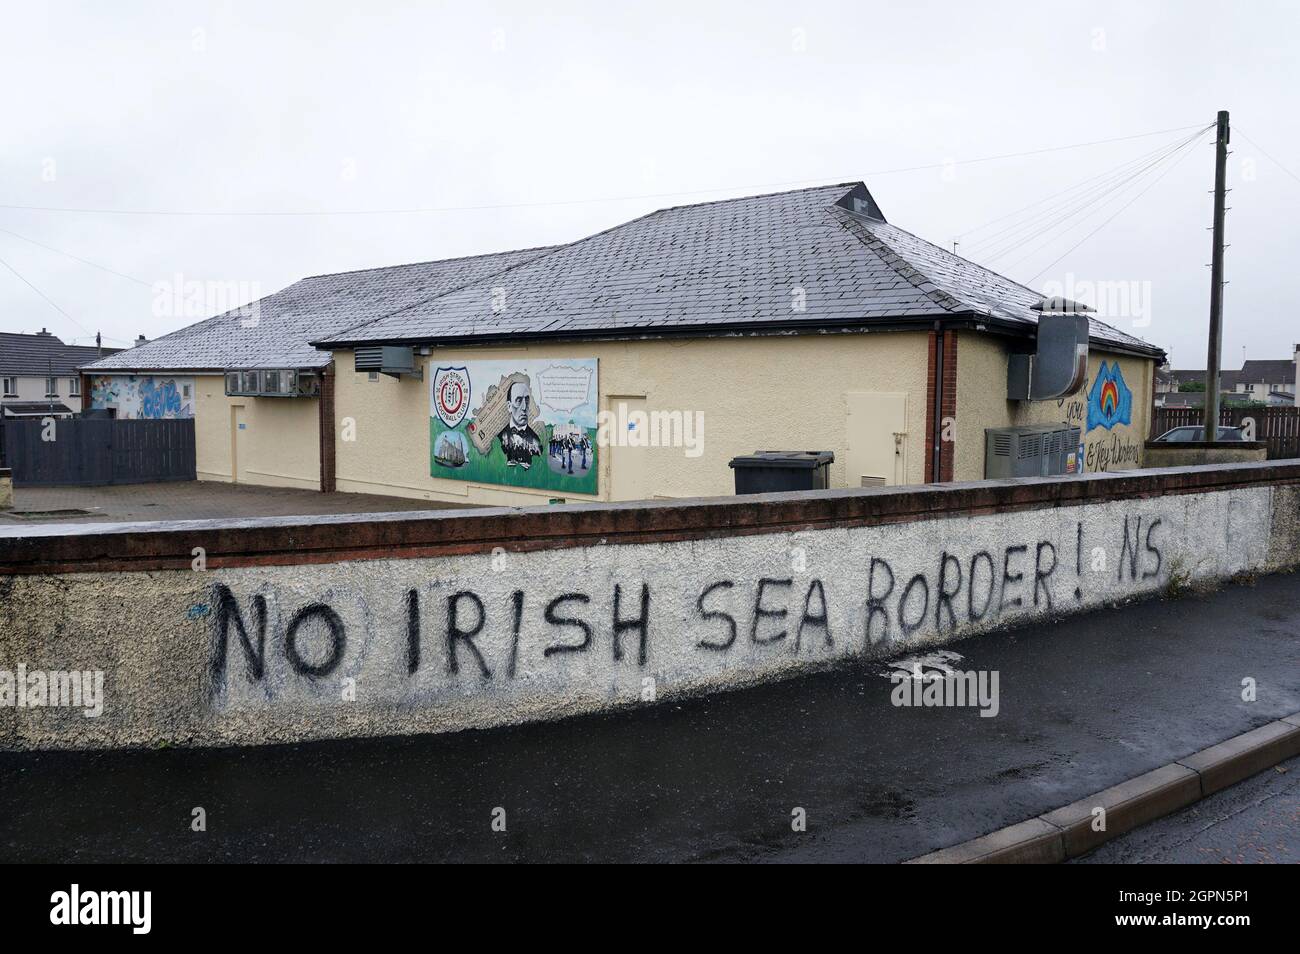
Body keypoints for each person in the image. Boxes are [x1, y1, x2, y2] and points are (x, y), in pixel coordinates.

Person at [499, 379, 542, 468]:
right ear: (509, 406)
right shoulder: (499, 438)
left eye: (526, 400)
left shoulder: (536, 441)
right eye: (518, 400)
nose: (524, 407)